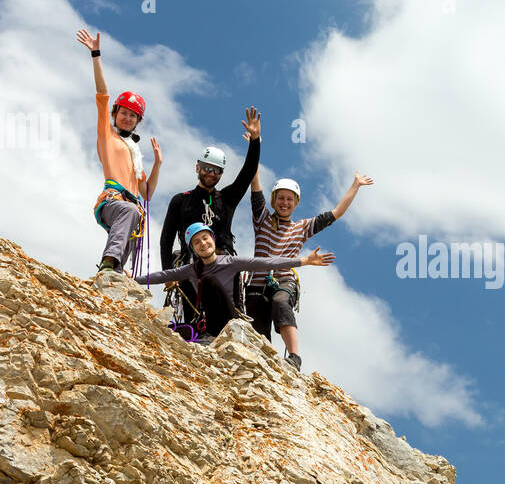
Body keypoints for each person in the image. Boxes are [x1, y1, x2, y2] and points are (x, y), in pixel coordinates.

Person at [246, 169, 373, 371]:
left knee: (280, 303)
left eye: (289, 199)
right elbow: (255, 184)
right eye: (280, 198)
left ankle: (295, 357)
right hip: (256, 283)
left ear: (296, 204)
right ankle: (262, 364)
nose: (284, 203)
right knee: (257, 327)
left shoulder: (302, 227)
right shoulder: (262, 219)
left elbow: (337, 213)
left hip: (283, 280)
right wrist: (255, 147)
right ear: (273, 200)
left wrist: (355, 185)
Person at [137, 223, 335, 343]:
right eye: (197, 242)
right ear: (193, 249)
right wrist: (132, 279)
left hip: (232, 319)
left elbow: (266, 263)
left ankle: (211, 335)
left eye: (205, 238)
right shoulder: (191, 270)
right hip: (211, 323)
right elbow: (162, 275)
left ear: (212, 240)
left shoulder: (231, 262)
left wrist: (304, 261)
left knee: (209, 281)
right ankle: (207, 335)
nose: (203, 244)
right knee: (204, 280)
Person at [158, 108, 263, 322]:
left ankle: (235, 317)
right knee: (191, 298)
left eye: (216, 170)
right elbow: (166, 239)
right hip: (190, 262)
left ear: (221, 174)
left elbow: (248, 172)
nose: (211, 174)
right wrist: (167, 273)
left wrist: (255, 140)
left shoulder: (227, 198)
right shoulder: (181, 200)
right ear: (198, 167)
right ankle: (192, 326)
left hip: (223, 260)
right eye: (207, 168)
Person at [76, 28, 162, 275]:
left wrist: (157, 164)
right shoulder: (108, 135)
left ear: (137, 121)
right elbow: (102, 94)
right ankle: (110, 260)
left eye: (132, 115)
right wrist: (96, 55)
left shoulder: (135, 153)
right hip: (114, 202)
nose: (127, 118)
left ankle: (113, 271)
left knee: (133, 214)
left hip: (133, 209)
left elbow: (146, 193)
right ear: (115, 114)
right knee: (129, 211)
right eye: (123, 112)